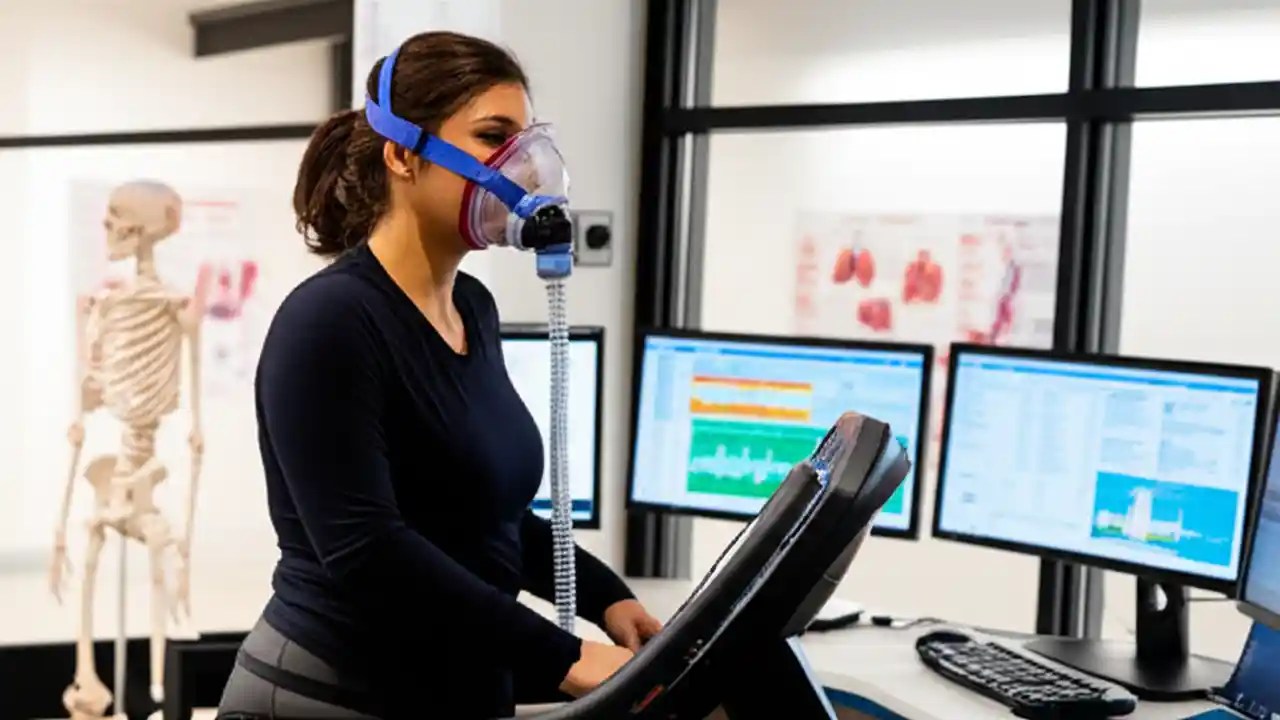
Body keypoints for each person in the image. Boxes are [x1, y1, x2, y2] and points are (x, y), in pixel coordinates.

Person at [217, 31, 661, 720]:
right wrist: (564, 656)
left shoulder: (472, 309)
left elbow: (487, 516)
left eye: (527, 137)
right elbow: (368, 551)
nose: (526, 167)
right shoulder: (330, 321)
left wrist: (608, 597)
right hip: (333, 694)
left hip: (449, 687)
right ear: (401, 153)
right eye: (493, 136)